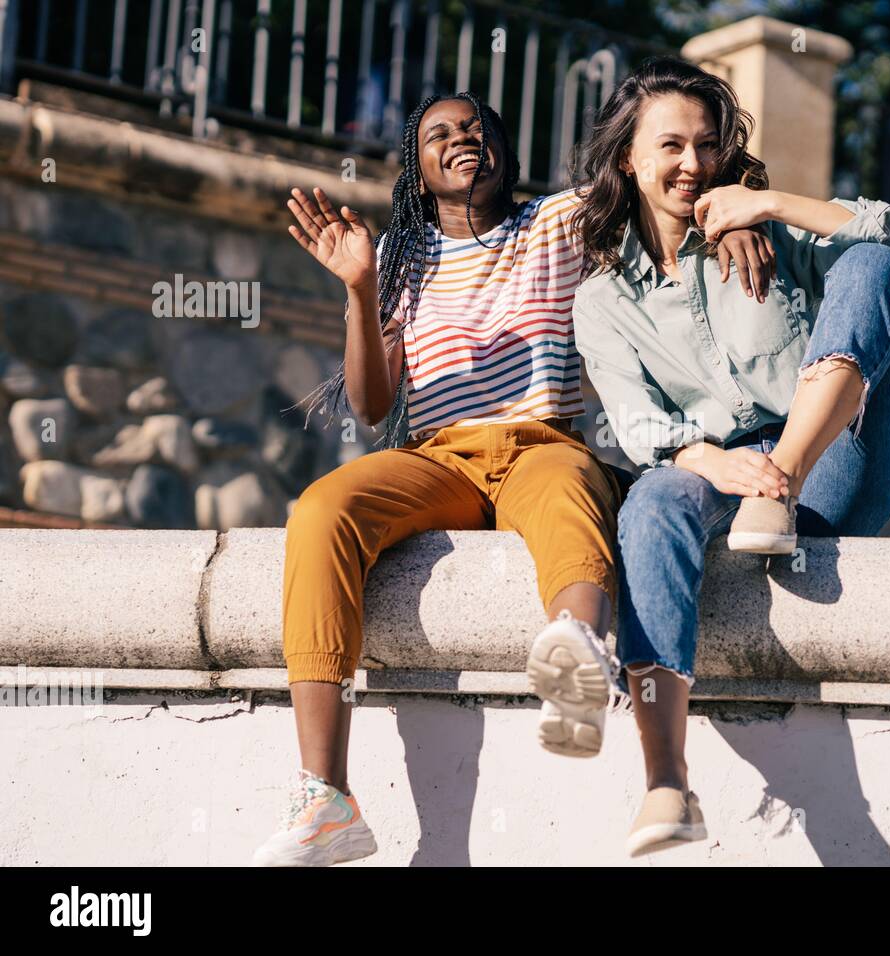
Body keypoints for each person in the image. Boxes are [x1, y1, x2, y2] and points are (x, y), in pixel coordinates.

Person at [252, 90, 776, 866]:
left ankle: (578, 648)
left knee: (570, 493)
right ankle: (325, 796)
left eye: (479, 128)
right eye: (441, 134)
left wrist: (739, 216)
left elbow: (662, 165)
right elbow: (370, 405)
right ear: (417, 166)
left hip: (542, 443)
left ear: (504, 152)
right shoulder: (400, 257)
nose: (464, 139)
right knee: (323, 507)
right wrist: (359, 289)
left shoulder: (557, 222)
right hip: (441, 458)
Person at [569, 57, 890, 857]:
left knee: (869, 260)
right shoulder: (604, 300)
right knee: (653, 499)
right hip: (715, 472)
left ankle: (787, 473)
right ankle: (666, 778)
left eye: (706, 146)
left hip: (828, 467)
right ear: (628, 157)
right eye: (669, 146)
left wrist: (767, 202)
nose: (690, 164)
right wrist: (716, 465)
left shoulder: (773, 232)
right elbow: (635, 423)